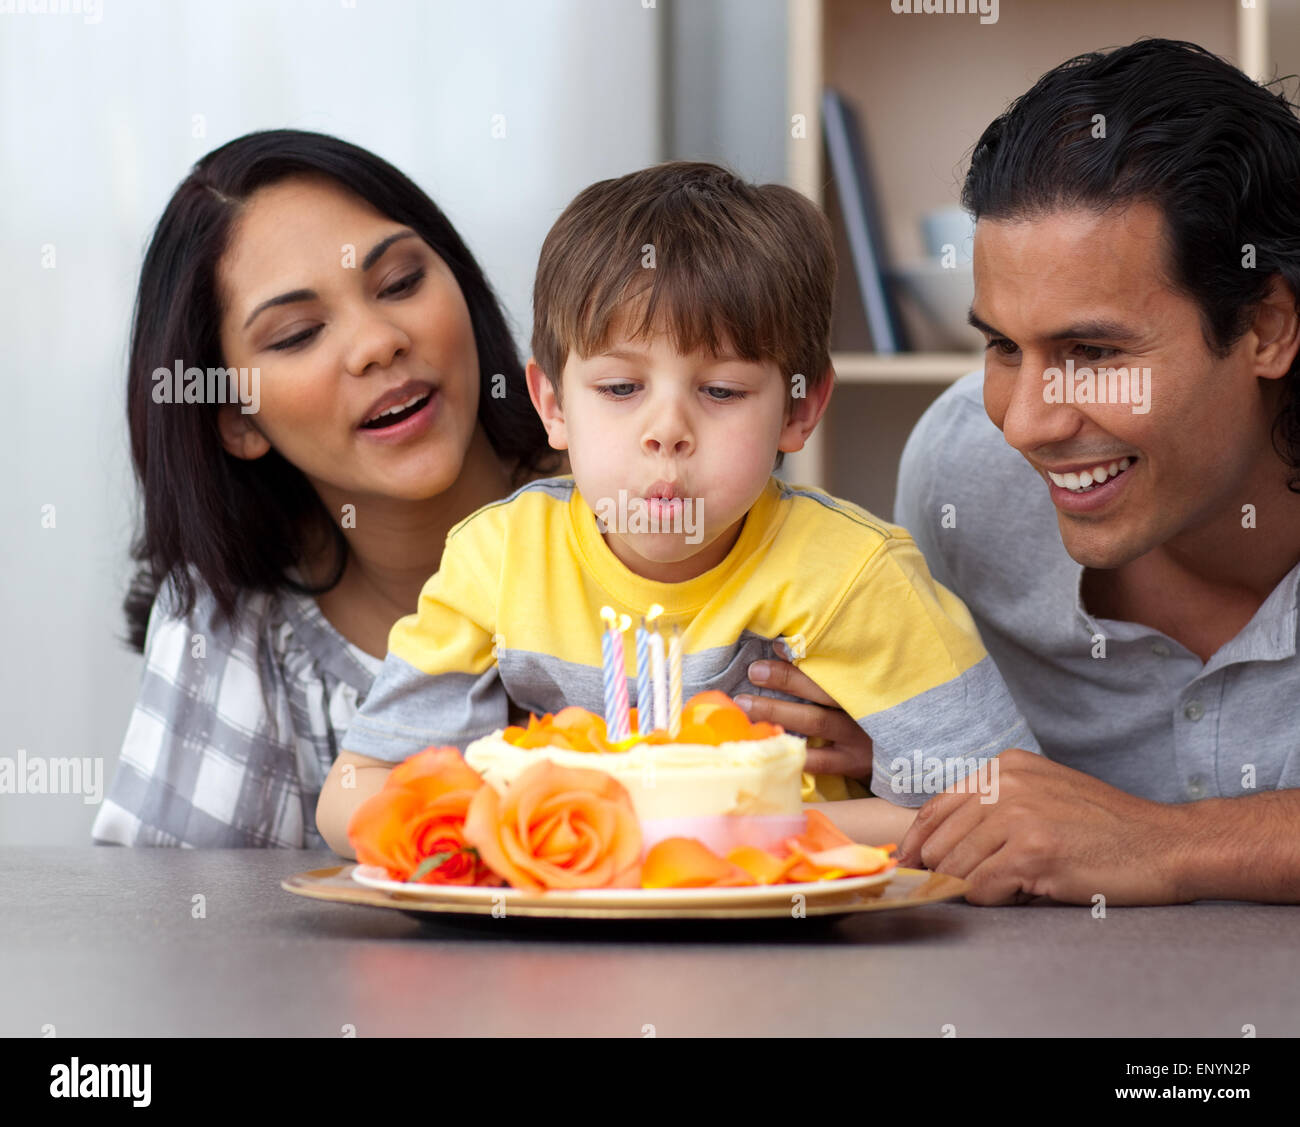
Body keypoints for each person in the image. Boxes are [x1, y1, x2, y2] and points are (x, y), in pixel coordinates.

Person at [316, 161, 1039, 860]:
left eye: (721, 391)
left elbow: (997, 807)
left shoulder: (852, 575)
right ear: (552, 404)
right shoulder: (498, 561)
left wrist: (719, 830)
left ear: (799, 407)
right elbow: (353, 794)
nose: (666, 430)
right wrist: (535, 828)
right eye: (621, 388)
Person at [777, 38, 1300, 905]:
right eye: (1002, 347)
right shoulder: (963, 475)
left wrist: (1163, 844)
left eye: (1092, 352)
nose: (1025, 424)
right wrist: (914, 758)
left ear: (1266, 328)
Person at [91, 130, 560, 848]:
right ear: (238, 419)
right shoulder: (232, 628)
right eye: (299, 334)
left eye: (401, 283)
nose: (377, 342)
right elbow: (177, 938)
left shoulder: (653, 515)